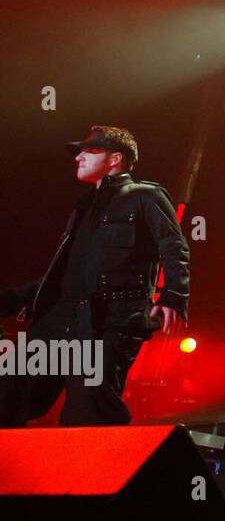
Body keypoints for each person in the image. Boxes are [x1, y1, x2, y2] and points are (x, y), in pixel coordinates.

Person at [0, 126, 190, 426]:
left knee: (88, 407)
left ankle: (105, 468)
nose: (78, 157)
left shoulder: (146, 195)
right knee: (10, 389)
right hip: (62, 315)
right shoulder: (83, 204)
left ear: (115, 158)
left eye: (88, 151)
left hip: (110, 317)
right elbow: (67, 269)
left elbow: (174, 244)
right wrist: (15, 299)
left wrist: (174, 295)